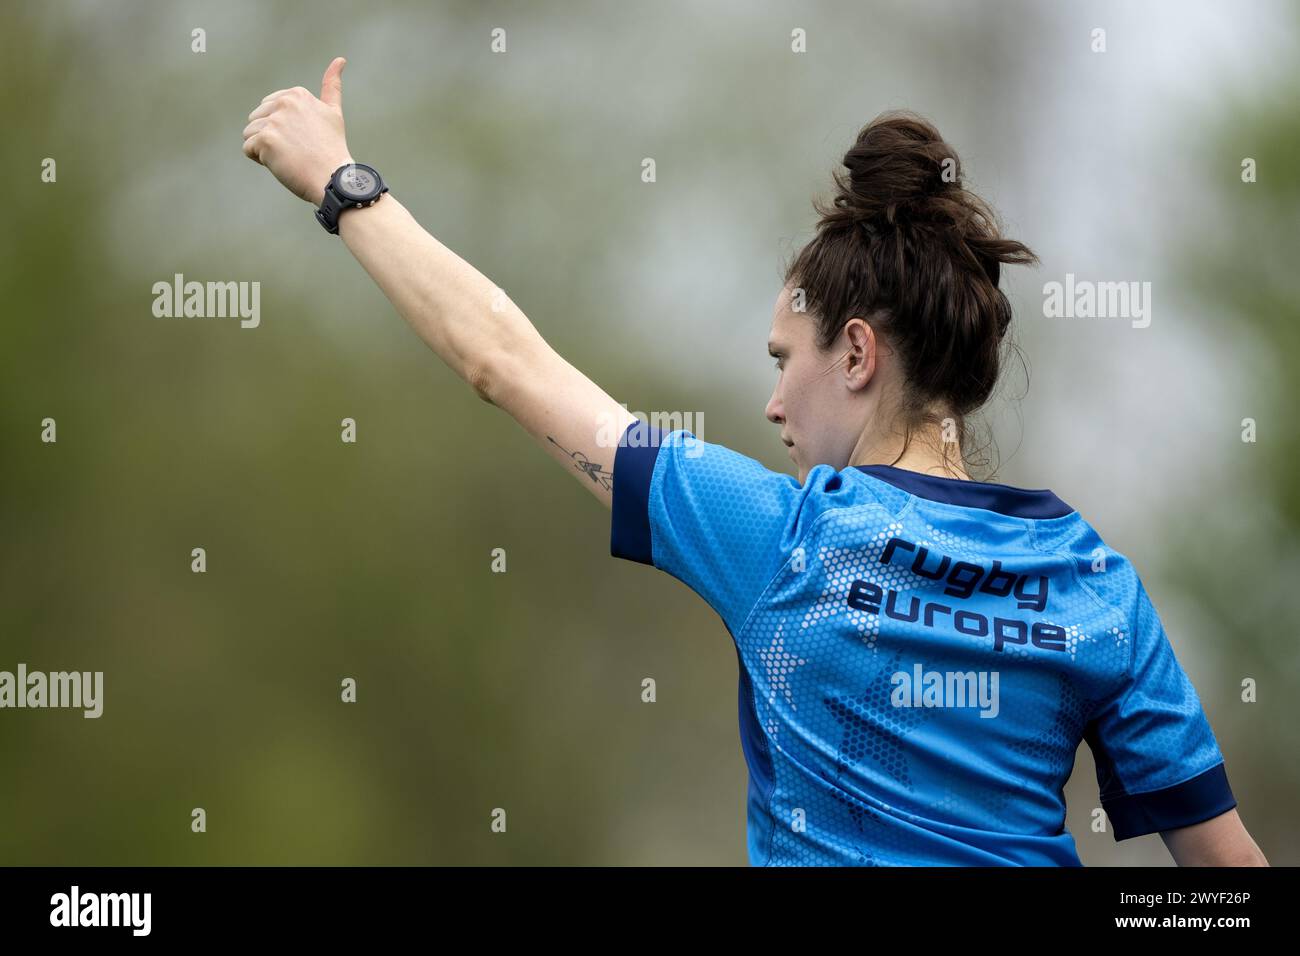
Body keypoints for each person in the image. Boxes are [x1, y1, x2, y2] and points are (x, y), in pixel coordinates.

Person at [241, 58, 1268, 866]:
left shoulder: (783, 541)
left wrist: (342, 186)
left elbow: (502, 360)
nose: (773, 403)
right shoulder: (1097, 585)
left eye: (786, 361)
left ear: (857, 353)